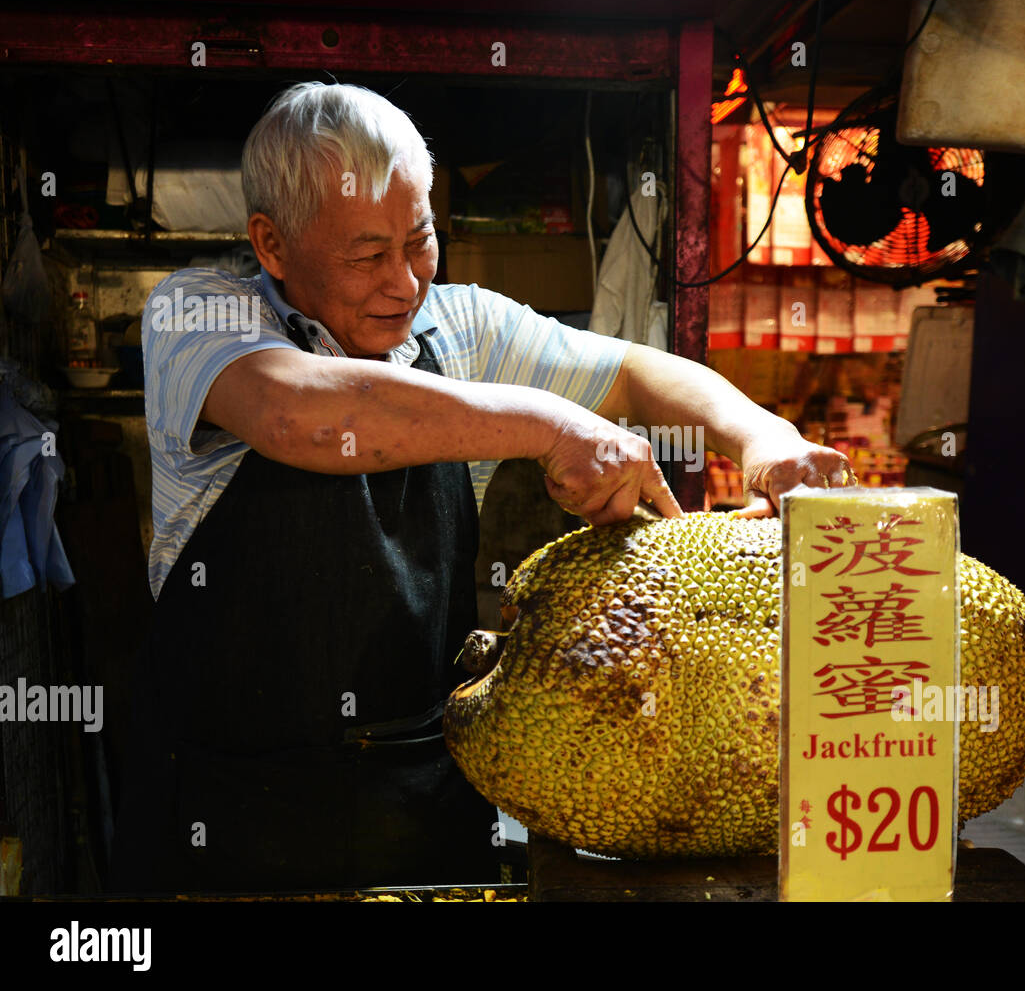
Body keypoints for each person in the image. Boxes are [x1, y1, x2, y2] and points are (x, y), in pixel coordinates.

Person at [108, 81, 854, 893]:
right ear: (273, 243)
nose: (405, 283)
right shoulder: (196, 313)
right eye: (367, 255)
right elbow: (299, 414)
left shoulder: (457, 329)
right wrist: (553, 425)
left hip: (419, 802)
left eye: (420, 240)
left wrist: (765, 441)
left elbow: (639, 373)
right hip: (226, 820)